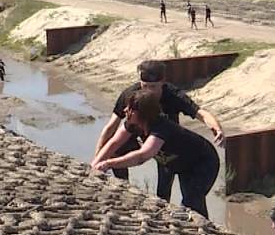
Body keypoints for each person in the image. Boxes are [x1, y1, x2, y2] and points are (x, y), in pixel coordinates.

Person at [94, 60, 225, 200]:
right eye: (144, 86)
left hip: (195, 158)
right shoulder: (133, 99)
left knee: (191, 199)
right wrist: (95, 165)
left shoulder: (168, 108)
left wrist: (216, 128)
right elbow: (112, 137)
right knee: (162, 193)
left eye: (153, 86)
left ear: (162, 82)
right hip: (162, 149)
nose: (148, 91)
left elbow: (141, 156)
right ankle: (123, 187)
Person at [92, 91, 220, 217]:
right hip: (181, 164)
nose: (125, 110)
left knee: (192, 202)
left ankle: (206, 232)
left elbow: (142, 156)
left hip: (203, 162)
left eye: (130, 108)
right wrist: (94, 165)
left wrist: (109, 164)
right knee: (190, 204)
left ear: (141, 113)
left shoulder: (161, 127)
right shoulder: (133, 124)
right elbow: (114, 143)